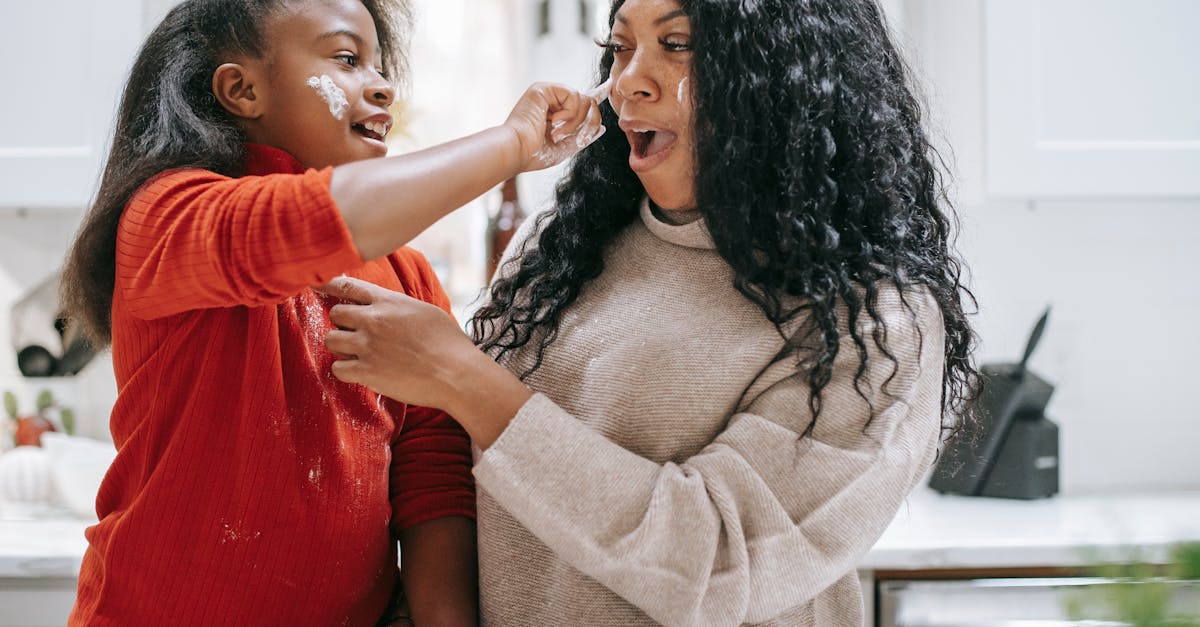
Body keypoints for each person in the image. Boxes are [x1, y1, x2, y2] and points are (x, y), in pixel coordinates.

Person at [321, 0, 980, 624]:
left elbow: (720, 561)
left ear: (782, 75)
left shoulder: (874, 322)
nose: (628, 81)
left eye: (676, 44)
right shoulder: (565, 250)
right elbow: (466, 489)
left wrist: (463, 380)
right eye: (619, 47)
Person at [57, 0, 603, 624]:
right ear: (242, 90)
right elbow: (312, 221)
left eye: (377, 63)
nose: (382, 84)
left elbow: (431, 477)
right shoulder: (167, 219)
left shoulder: (407, 276)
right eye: (346, 59)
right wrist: (512, 143)